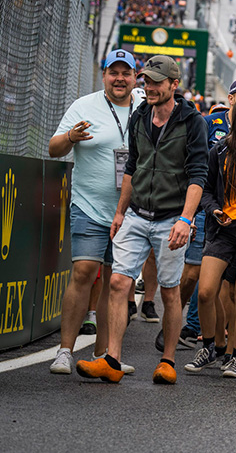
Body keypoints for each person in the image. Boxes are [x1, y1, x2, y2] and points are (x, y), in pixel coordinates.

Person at [75, 55, 208, 385]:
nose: (149, 87)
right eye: (146, 81)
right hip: (136, 213)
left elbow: (198, 175)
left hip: (171, 219)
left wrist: (186, 219)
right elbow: (131, 168)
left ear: (174, 85)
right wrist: (120, 212)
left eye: (156, 82)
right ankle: (112, 360)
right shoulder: (139, 116)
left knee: (170, 292)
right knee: (119, 283)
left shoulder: (193, 122)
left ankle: (167, 361)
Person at [50, 49, 143, 375]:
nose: (119, 79)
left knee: (116, 282)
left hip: (131, 211)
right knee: (84, 272)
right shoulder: (84, 106)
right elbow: (54, 148)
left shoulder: (145, 107)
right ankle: (65, 351)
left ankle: (105, 355)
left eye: (126, 73)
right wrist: (70, 137)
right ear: (104, 75)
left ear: (135, 77)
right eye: (113, 72)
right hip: (89, 205)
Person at [185, 97, 236, 378]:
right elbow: (205, 189)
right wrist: (214, 209)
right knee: (206, 291)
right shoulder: (219, 150)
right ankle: (210, 346)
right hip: (221, 229)